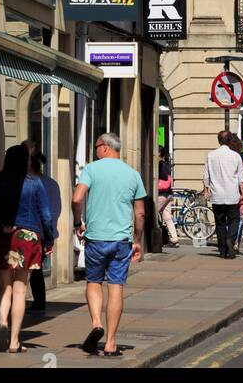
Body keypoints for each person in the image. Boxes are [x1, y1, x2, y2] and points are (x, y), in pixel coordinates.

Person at [72, 132, 146, 358]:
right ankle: (111, 343)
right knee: (116, 287)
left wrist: (78, 222)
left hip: (95, 238)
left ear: (104, 147)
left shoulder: (92, 169)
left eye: (96, 146)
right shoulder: (133, 174)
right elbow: (140, 212)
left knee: (94, 282)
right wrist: (137, 240)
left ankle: (96, 323)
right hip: (121, 241)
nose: (95, 150)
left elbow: (76, 199)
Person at [0, 143, 55, 354]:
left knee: (4, 287)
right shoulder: (34, 184)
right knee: (20, 290)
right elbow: (47, 215)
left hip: (6, 236)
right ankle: (14, 340)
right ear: (26, 161)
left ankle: (3, 323)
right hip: (29, 237)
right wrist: (48, 239)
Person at [203, 129, 243, 260]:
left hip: (217, 195)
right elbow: (241, 178)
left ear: (219, 141)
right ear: (230, 141)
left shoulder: (211, 155)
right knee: (234, 220)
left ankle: (222, 250)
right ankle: (230, 240)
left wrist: (206, 191)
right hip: (232, 194)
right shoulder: (236, 156)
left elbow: (206, 176)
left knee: (220, 223)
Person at [28, 152, 62, 313]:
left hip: (33, 231)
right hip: (46, 232)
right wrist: (51, 235)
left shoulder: (30, 184)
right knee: (36, 268)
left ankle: (38, 302)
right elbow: (56, 211)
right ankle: (39, 301)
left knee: (33, 269)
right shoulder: (52, 184)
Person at [157, 144, 180, 249]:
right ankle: (174, 239)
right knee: (167, 217)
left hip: (161, 194)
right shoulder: (166, 164)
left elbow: (162, 178)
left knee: (153, 213)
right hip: (169, 194)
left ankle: (158, 238)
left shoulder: (159, 164)